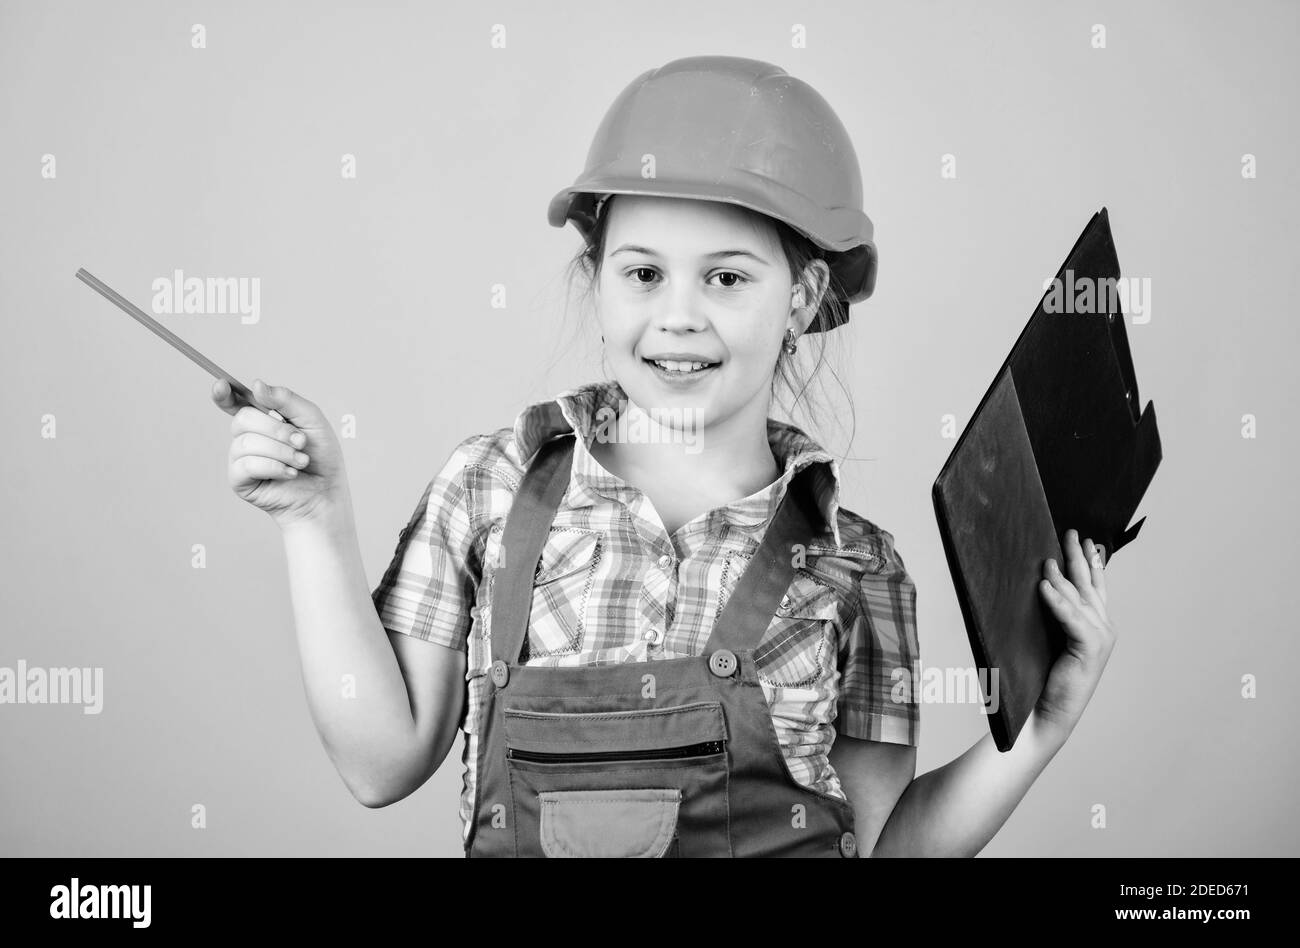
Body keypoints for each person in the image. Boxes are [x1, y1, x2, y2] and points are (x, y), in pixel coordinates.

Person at [209, 56, 1116, 857]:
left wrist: (1039, 730)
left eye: (726, 277)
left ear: (801, 301)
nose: (678, 315)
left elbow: (883, 851)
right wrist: (314, 521)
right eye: (643, 272)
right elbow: (379, 763)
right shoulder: (490, 489)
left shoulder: (857, 566)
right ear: (597, 284)